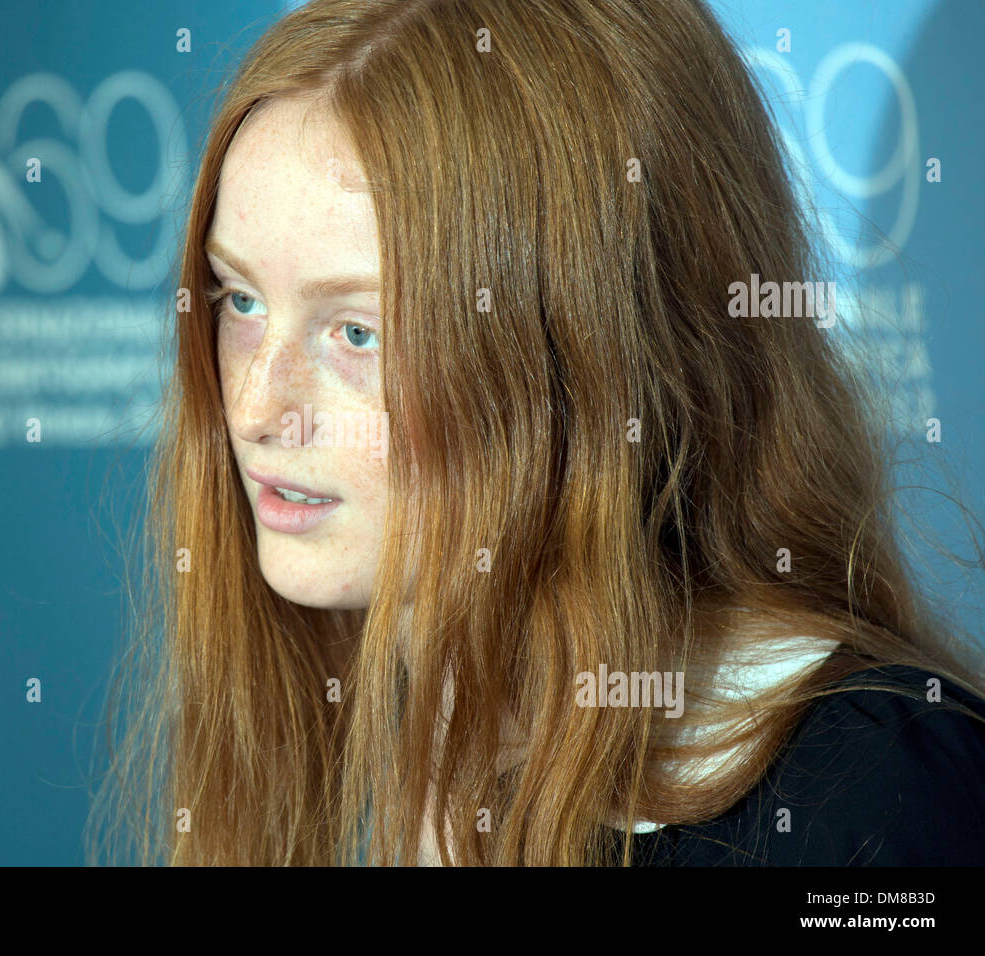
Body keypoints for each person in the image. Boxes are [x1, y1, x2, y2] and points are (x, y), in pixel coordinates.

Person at [88, 0, 985, 866]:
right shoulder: (414, 722)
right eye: (241, 300)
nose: (253, 408)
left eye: (357, 331)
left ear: (587, 362)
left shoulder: (885, 802)